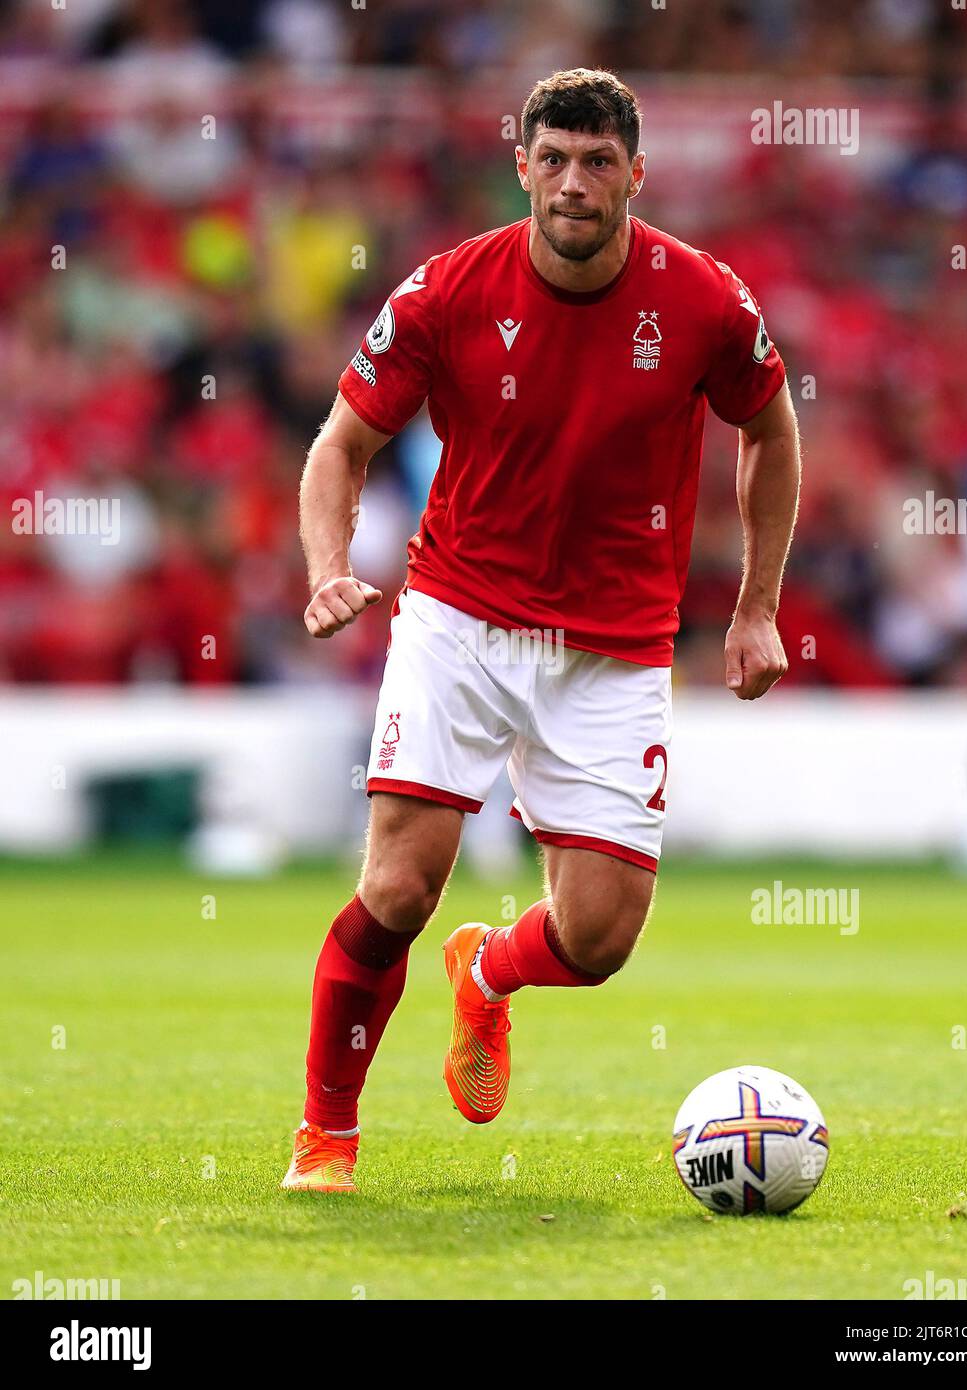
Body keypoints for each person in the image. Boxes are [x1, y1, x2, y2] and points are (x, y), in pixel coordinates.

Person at [282, 68, 801, 1192]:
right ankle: (327, 1132)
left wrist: (757, 603)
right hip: (459, 618)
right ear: (521, 164)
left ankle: (489, 971)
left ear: (635, 174)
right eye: (554, 158)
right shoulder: (444, 292)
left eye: (599, 162)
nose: (575, 183)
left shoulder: (705, 300)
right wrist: (328, 570)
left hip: (614, 646)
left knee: (601, 937)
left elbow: (771, 427)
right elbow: (340, 445)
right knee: (399, 889)